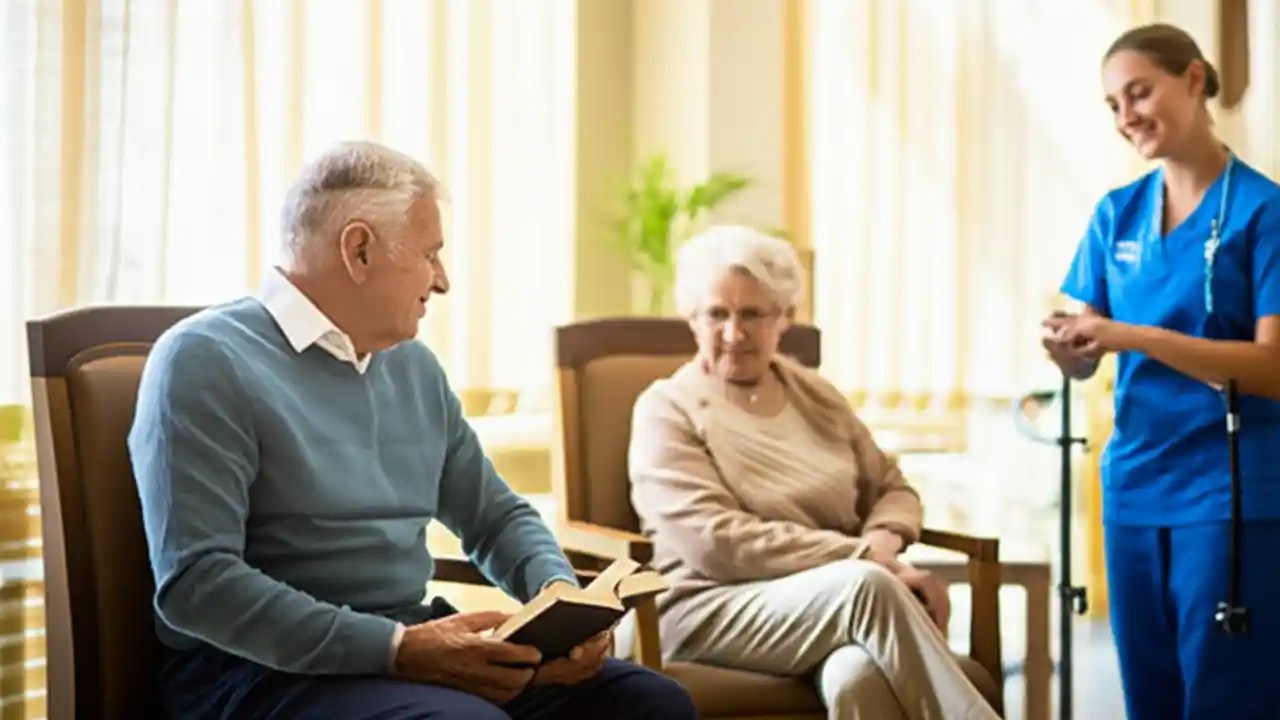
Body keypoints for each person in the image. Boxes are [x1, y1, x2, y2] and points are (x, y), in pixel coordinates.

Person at [128, 140, 698, 720]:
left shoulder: (412, 366)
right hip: (256, 673)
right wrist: (399, 650)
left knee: (648, 703)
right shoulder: (204, 359)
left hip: (405, 649)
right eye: (430, 254)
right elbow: (199, 585)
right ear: (359, 250)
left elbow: (495, 516)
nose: (443, 280)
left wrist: (556, 601)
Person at [626, 224, 1000, 720]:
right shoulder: (667, 408)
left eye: (752, 314)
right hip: (708, 608)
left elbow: (891, 487)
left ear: (784, 319)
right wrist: (863, 557)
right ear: (692, 318)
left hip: (830, 609)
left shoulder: (815, 395)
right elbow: (715, 543)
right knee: (868, 587)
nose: (733, 334)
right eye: (716, 314)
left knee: (858, 677)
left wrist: (884, 538)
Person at [1044, 23, 1280, 720]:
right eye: (1113, 105)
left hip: (1231, 491)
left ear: (1196, 80)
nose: (1126, 117)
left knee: (1225, 694)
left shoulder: (1264, 213)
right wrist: (1068, 349)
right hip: (1135, 486)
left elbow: (1272, 368)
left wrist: (1129, 335)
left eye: (1139, 92)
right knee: (1149, 696)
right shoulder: (1116, 215)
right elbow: (1086, 357)